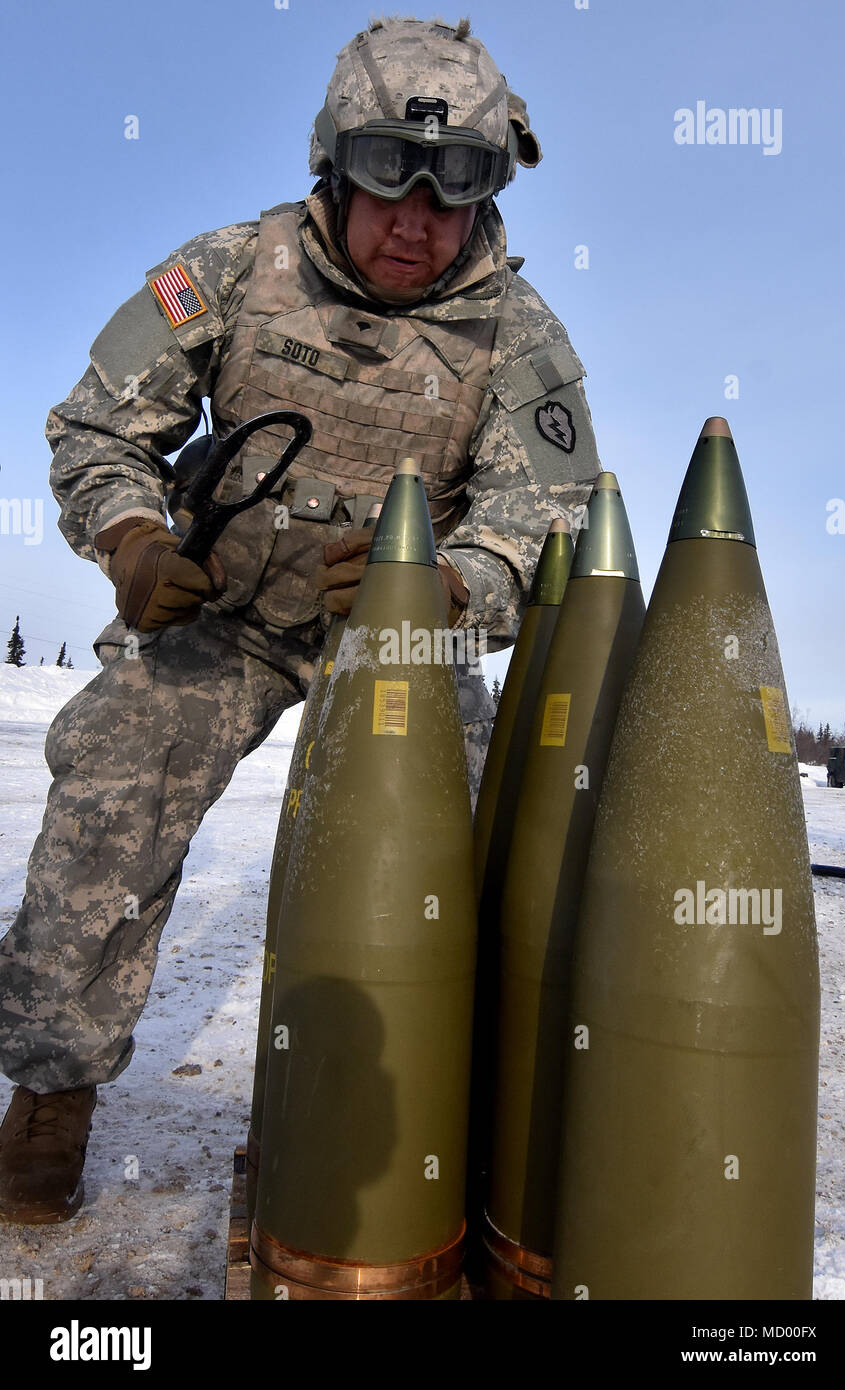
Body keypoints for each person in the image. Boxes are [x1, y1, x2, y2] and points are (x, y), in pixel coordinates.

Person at [0, 16, 602, 1224]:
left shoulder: (518, 339)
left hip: (391, 641)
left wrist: (450, 586)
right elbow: (100, 423)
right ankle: (51, 1094)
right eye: (391, 173)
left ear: (489, 189)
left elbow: (549, 511)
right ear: (333, 159)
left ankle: (444, 1107)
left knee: (468, 830)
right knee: (114, 765)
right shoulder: (230, 267)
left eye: (456, 185)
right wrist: (129, 538)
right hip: (216, 614)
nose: (417, 218)